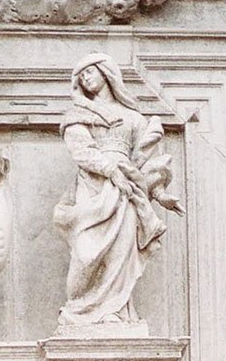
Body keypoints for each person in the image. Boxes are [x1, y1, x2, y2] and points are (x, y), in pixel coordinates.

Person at [55, 57, 179, 331]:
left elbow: (148, 162)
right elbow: (82, 152)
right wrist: (111, 170)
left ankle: (114, 311)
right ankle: (79, 310)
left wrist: (159, 193)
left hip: (128, 191)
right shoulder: (78, 116)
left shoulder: (134, 118)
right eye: (81, 77)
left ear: (106, 73)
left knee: (120, 253)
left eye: (89, 72)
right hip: (94, 189)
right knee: (86, 251)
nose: (86, 79)